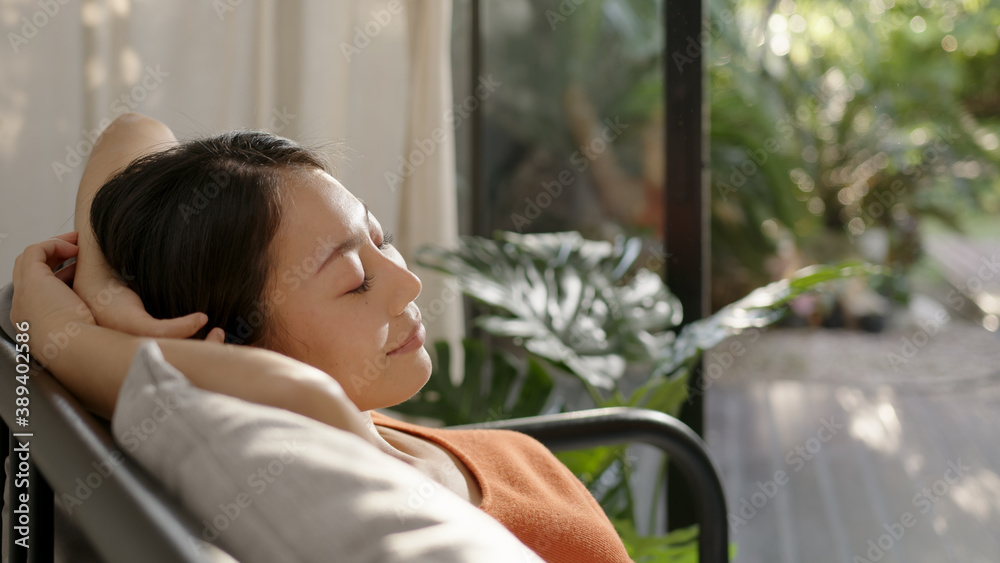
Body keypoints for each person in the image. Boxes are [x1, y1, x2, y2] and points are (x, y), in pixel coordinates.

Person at [10, 113, 633, 563]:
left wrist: (99, 284)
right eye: (356, 281)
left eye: (380, 238)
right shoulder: (319, 428)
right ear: (225, 348)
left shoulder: (360, 422)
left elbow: (134, 130)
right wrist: (69, 339)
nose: (409, 282)